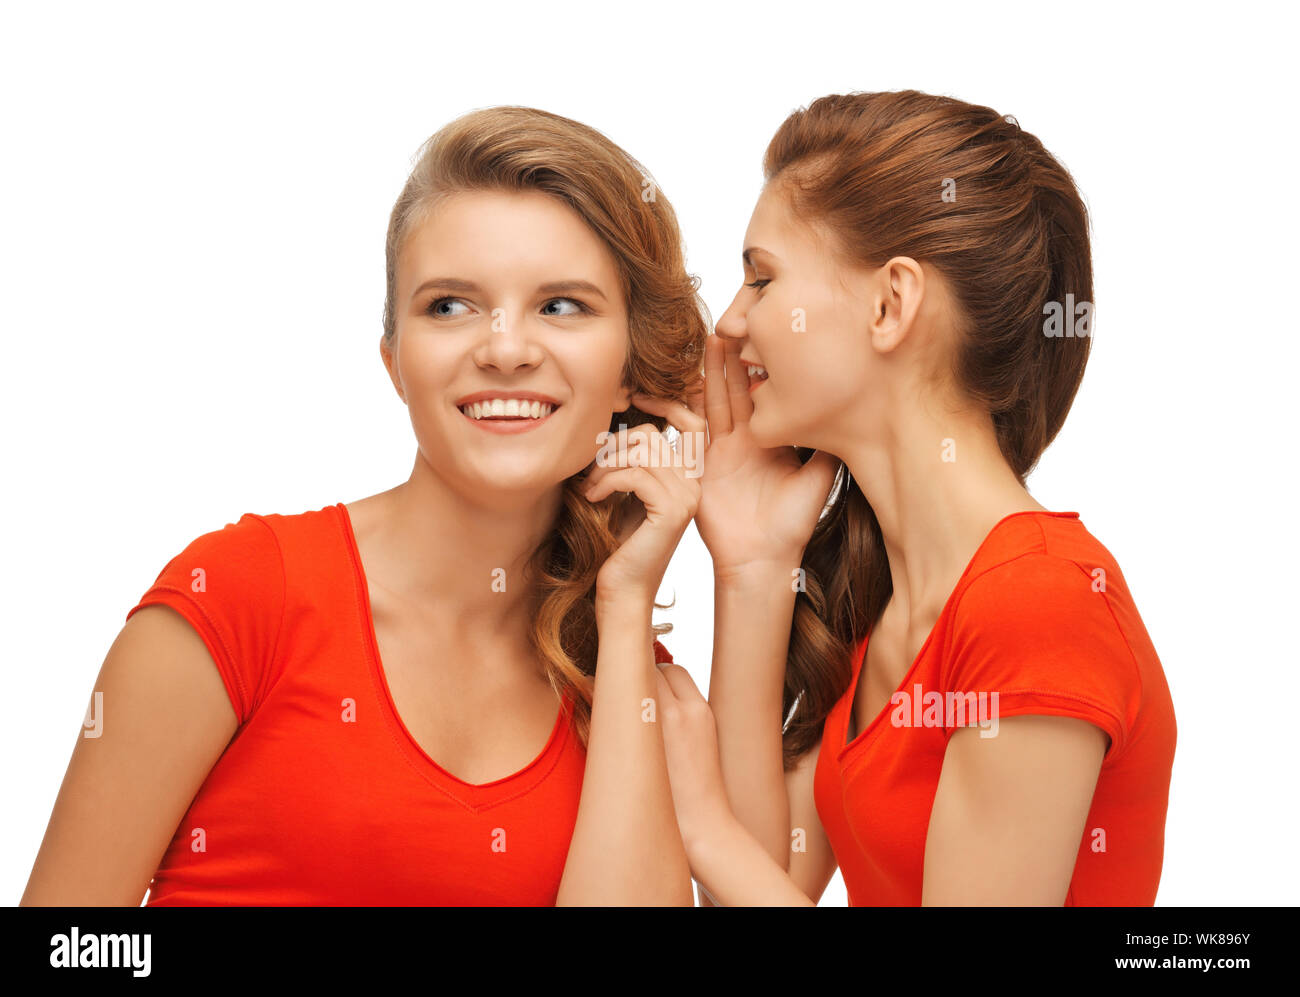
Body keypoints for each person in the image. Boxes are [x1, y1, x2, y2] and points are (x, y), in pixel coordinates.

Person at [22, 106, 707, 906]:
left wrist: (626, 606)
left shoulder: (629, 683)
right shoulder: (239, 597)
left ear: (631, 368)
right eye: (449, 305)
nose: (506, 348)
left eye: (562, 305)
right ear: (395, 361)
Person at [651, 90, 1177, 906]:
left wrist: (703, 823)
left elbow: (731, 860)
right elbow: (758, 887)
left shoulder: (1039, 602)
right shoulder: (887, 602)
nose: (728, 322)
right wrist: (754, 563)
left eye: (761, 278)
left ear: (891, 304)